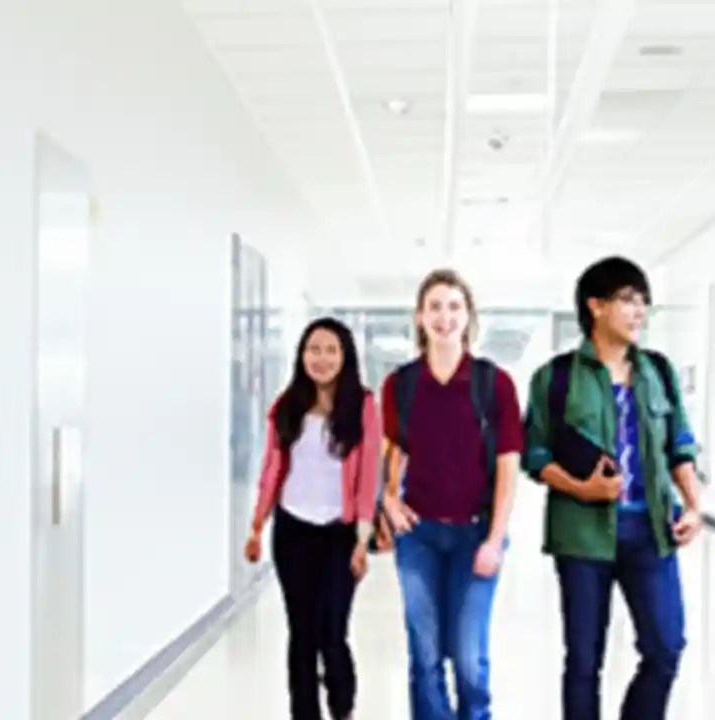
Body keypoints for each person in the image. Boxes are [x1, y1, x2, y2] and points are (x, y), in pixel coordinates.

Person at [521, 256, 703, 720]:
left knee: (666, 646)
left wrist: (694, 505)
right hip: (582, 537)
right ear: (596, 306)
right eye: (627, 299)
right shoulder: (556, 377)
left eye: (643, 301)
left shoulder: (658, 372)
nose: (639, 310)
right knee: (584, 662)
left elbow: (680, 443)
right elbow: (535, 453)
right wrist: (581, 489)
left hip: (650, 532)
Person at [381, 268, 523, 720]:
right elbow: (392, 452)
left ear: (469, 317)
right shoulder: (399, 385)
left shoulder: (493, 384)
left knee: (468, 658)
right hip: (419, 535)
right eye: (435, 307)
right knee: (424, 655)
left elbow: (508, 465)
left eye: (454, 306)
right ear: (420, 317)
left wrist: (495, 539)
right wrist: (388, 498)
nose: (445, 317)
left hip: (475, 534)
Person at [244, 317, 381, 720]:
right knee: (301, 635)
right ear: (301, 355)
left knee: (332, 633)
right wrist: (256, 525)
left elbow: (368, 474)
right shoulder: (286, 407)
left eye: (330, 350)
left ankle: (342, 709)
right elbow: (271, 471)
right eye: (313, 350)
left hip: (340, 533)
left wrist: (362, 538)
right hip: (292, 532)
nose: (321, 359)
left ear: (345, 356)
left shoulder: (363, 406)